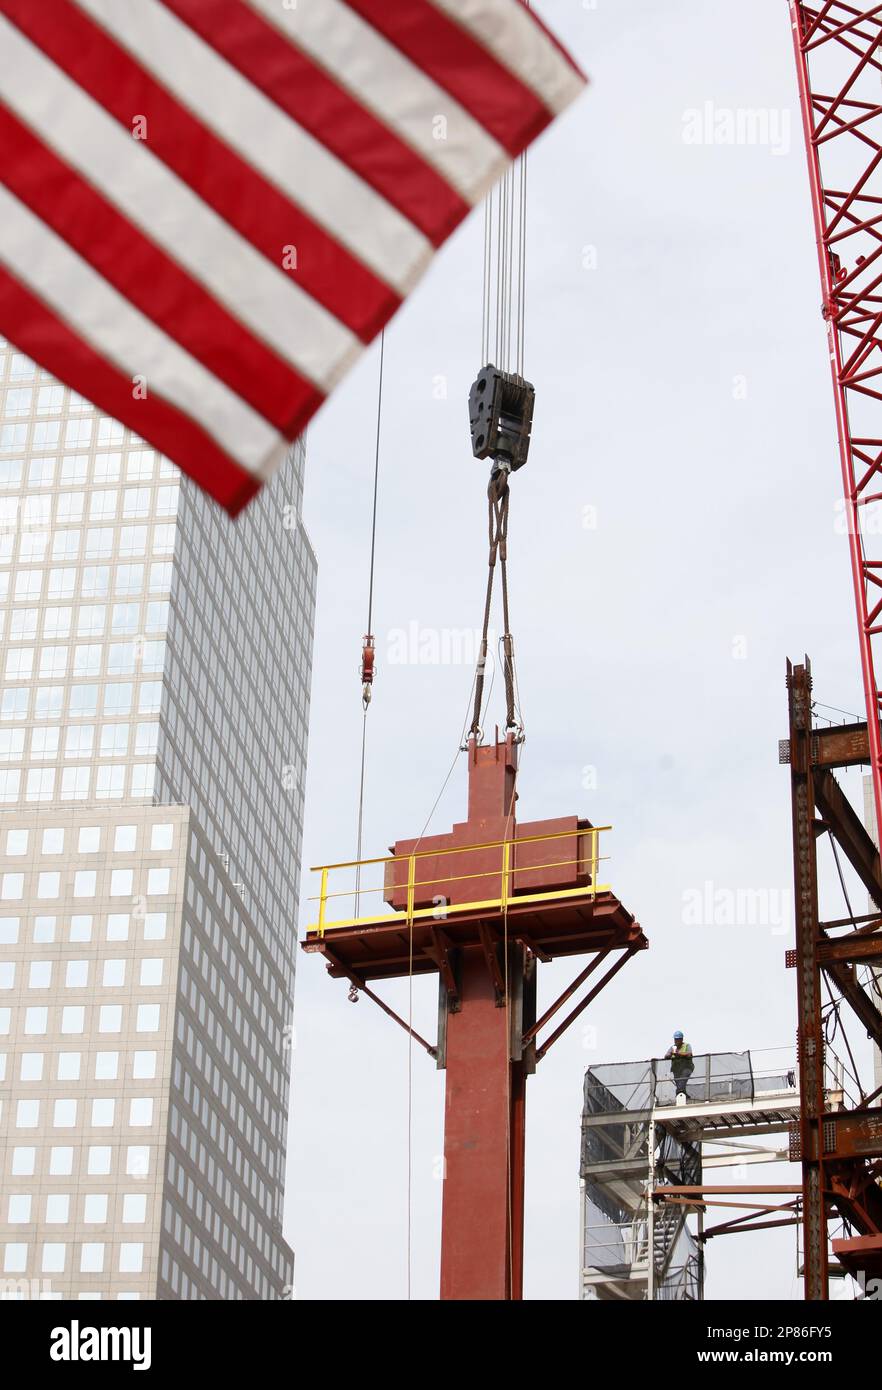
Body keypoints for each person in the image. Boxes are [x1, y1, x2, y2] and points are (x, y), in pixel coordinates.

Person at [664, 1030, 694, 1103]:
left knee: (682, 1081)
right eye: (675, 1039)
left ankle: (679, 1096)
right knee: (678, 1083)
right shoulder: (673, 1047)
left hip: (687, 1067)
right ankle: (684, 1095)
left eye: (678, 1039)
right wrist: (670, 1054)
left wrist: (678, 1054)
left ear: (681, 1039)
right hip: (676, 1069)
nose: (676, 1041)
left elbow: (689, 1054)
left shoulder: (687, 1045)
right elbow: (666, 1056)